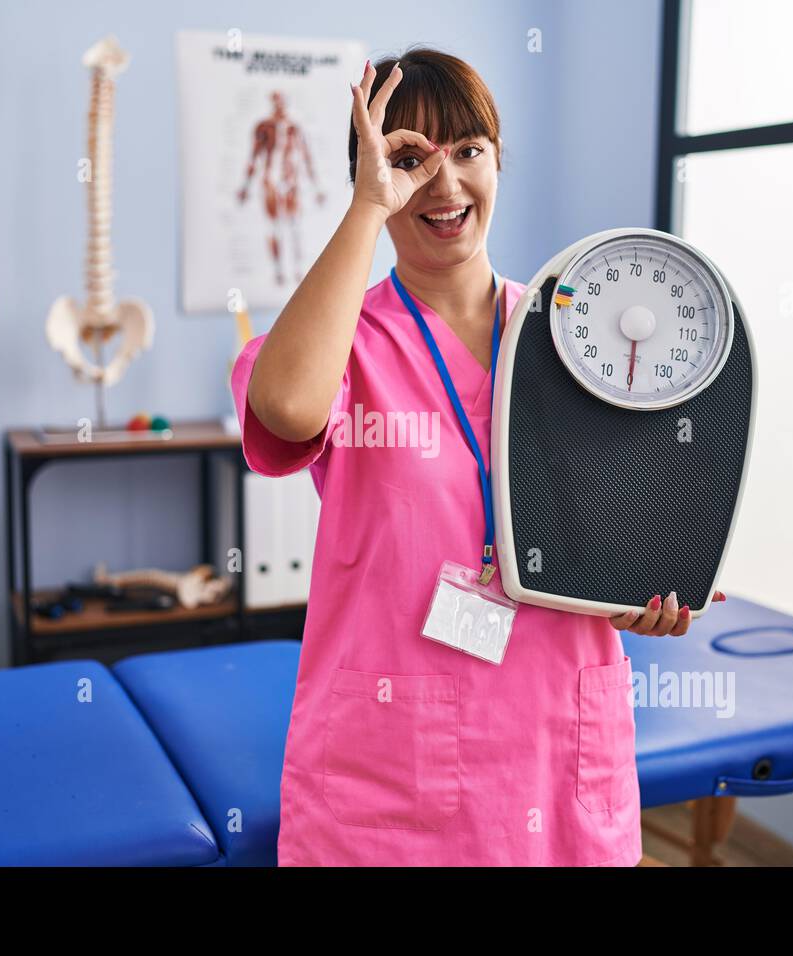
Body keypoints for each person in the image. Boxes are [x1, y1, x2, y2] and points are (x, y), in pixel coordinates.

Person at [230, 47, 724, 866]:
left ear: (498, 160)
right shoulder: (340, 341)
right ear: (370, 172)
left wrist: (645, 592)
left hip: (556, 748)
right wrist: (363, 210)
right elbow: (285, 407)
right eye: (408, 159)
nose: (446, 184)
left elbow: (623, 522)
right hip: (390, 766)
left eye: (468, 151)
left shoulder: (578, 341)